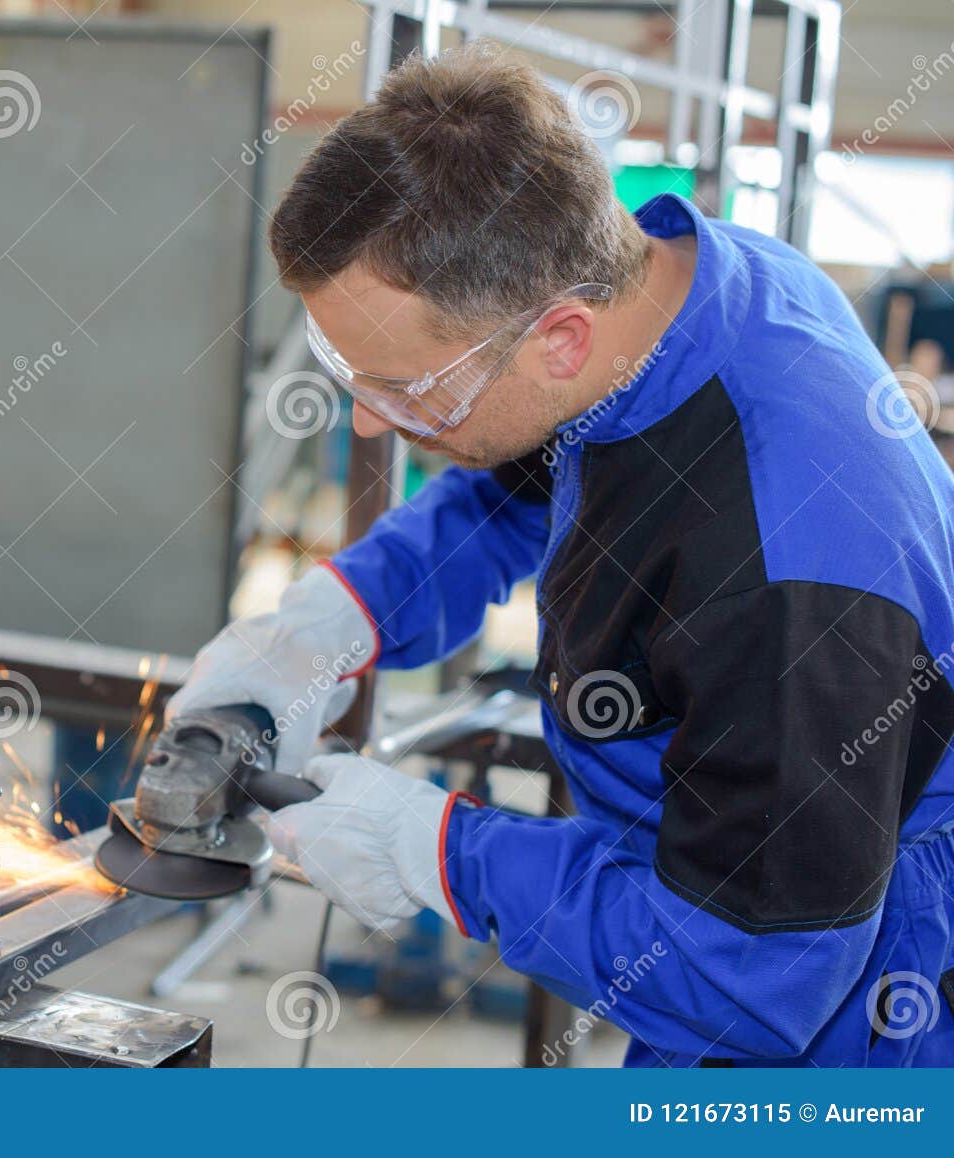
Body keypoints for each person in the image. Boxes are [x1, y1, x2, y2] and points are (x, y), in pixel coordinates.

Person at [171, 42, 954, 1066]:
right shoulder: (680, 297)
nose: (371, 424)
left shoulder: (785, 573)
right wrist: (327, 621)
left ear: (562, 341)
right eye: (348, 372)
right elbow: (523, 476)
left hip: (845, 994)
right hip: (726, 876)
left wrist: (440, 853)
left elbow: (750, 979)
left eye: (408, 389)